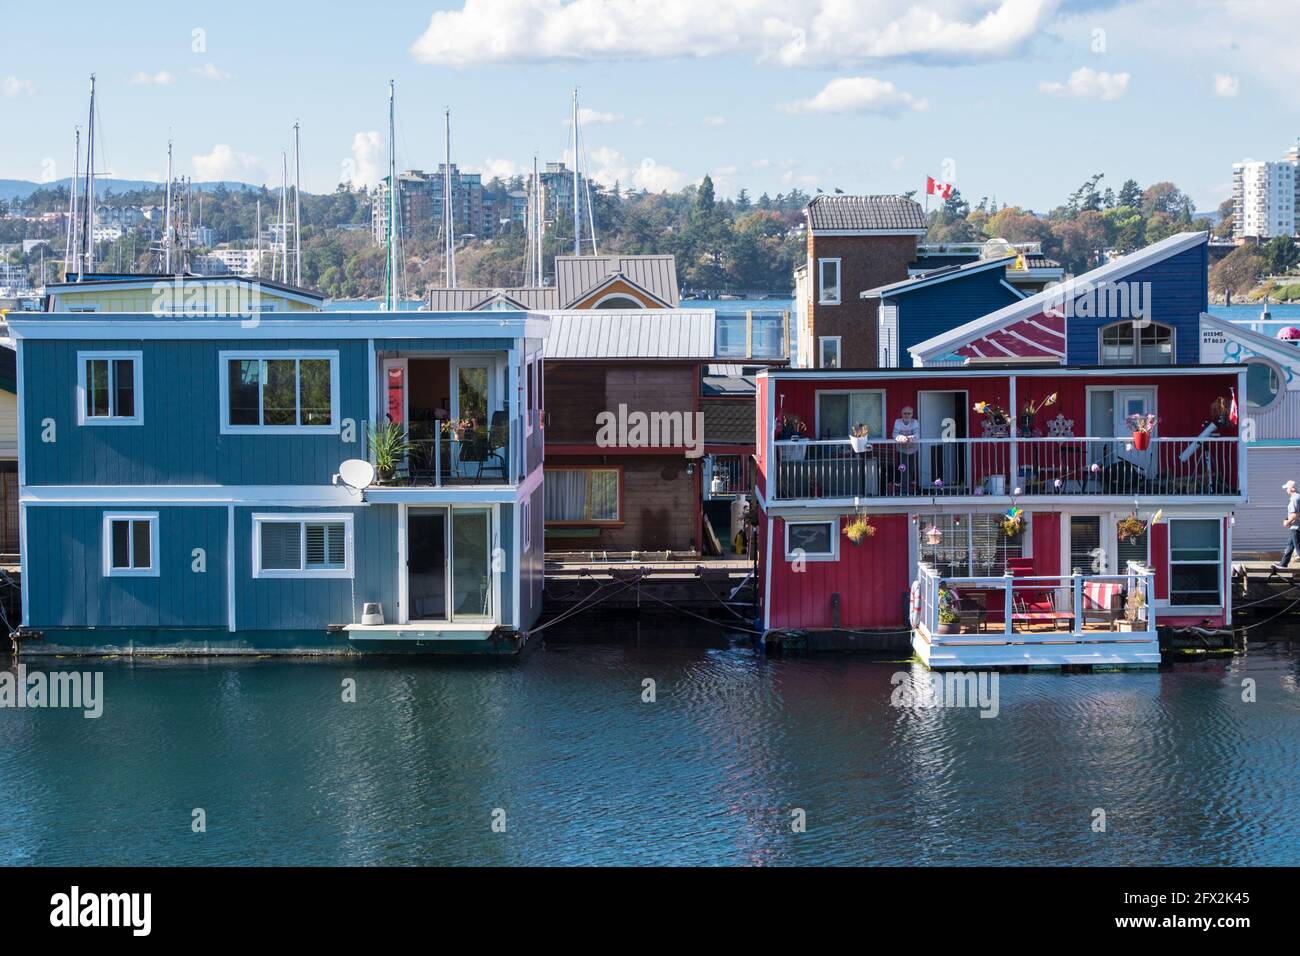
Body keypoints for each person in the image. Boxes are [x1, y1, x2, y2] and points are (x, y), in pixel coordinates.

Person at [893, 406, 920, 493]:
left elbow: (917, 434)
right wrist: (901, 438)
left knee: (911, 470)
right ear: (902, 414)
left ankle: (910, 489)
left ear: (912, 414)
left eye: (909, 413)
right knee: (903, 469)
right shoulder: (898, 422)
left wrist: (909, 438)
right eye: (905, 413)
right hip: (902, 450)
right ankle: (904, 490)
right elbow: (894, 434)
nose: (907, 415)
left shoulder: (915, 422)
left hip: (913, 450)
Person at [1276, 479, 1300, 570]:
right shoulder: (1297, 497)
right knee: (1290, 546)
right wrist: (1287, 519)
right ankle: (1283, 563)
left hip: (1296, 527)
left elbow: (1295, 514)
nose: (1286, 490)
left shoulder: (1295, 498)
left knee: (1298, 548)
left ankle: (1283, 563)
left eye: (1287, 488)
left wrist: (1287, 522)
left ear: (1292, 489)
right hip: (1295, 526)